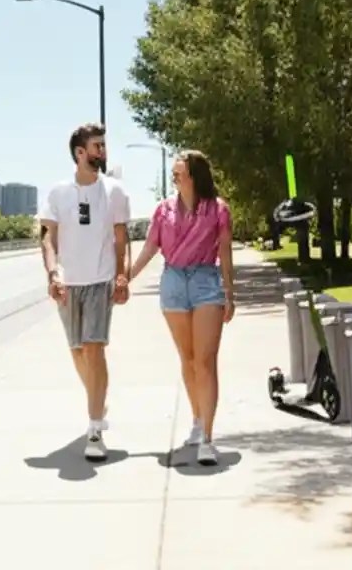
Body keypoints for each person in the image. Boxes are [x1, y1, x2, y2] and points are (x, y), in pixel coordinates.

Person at [128, 149, 234, 466]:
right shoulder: (163, 211)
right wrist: (125, 279)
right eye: (173, 173)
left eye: (178, 172)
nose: (173, 177)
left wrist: (230, 292)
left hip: (205, 282)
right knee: (187, 359)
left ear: (194, 175)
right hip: (173, 283)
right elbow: (150, 248)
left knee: (205, 360)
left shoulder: (218, 209)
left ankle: (208, 439)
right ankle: (197, 421)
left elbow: (226, 254)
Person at [39, 122, 131, 461]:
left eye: (104, 145)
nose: (102, 151)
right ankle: (98, 395)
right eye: (96, 146)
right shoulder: (58, 192)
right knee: (78, 352)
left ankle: (95, 427)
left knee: (94, 350)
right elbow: (48, 237)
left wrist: (121, 277)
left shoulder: (115, 192)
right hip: (68, 283)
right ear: (80, 153)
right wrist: (52, 273)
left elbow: (121, 237)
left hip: (100, 279)